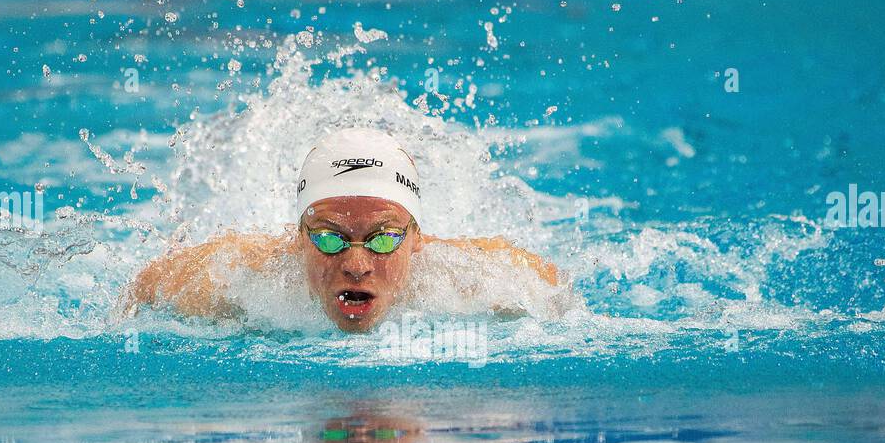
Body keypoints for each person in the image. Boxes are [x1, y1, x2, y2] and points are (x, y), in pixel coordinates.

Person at [125, 127, 563, 332]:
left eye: (385, 238)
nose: (356, 265)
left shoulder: (475, 279)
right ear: (298, 239)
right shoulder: (237, 279)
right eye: (329, 238)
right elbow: (146, 284)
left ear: (417, 240)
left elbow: (553, 290)